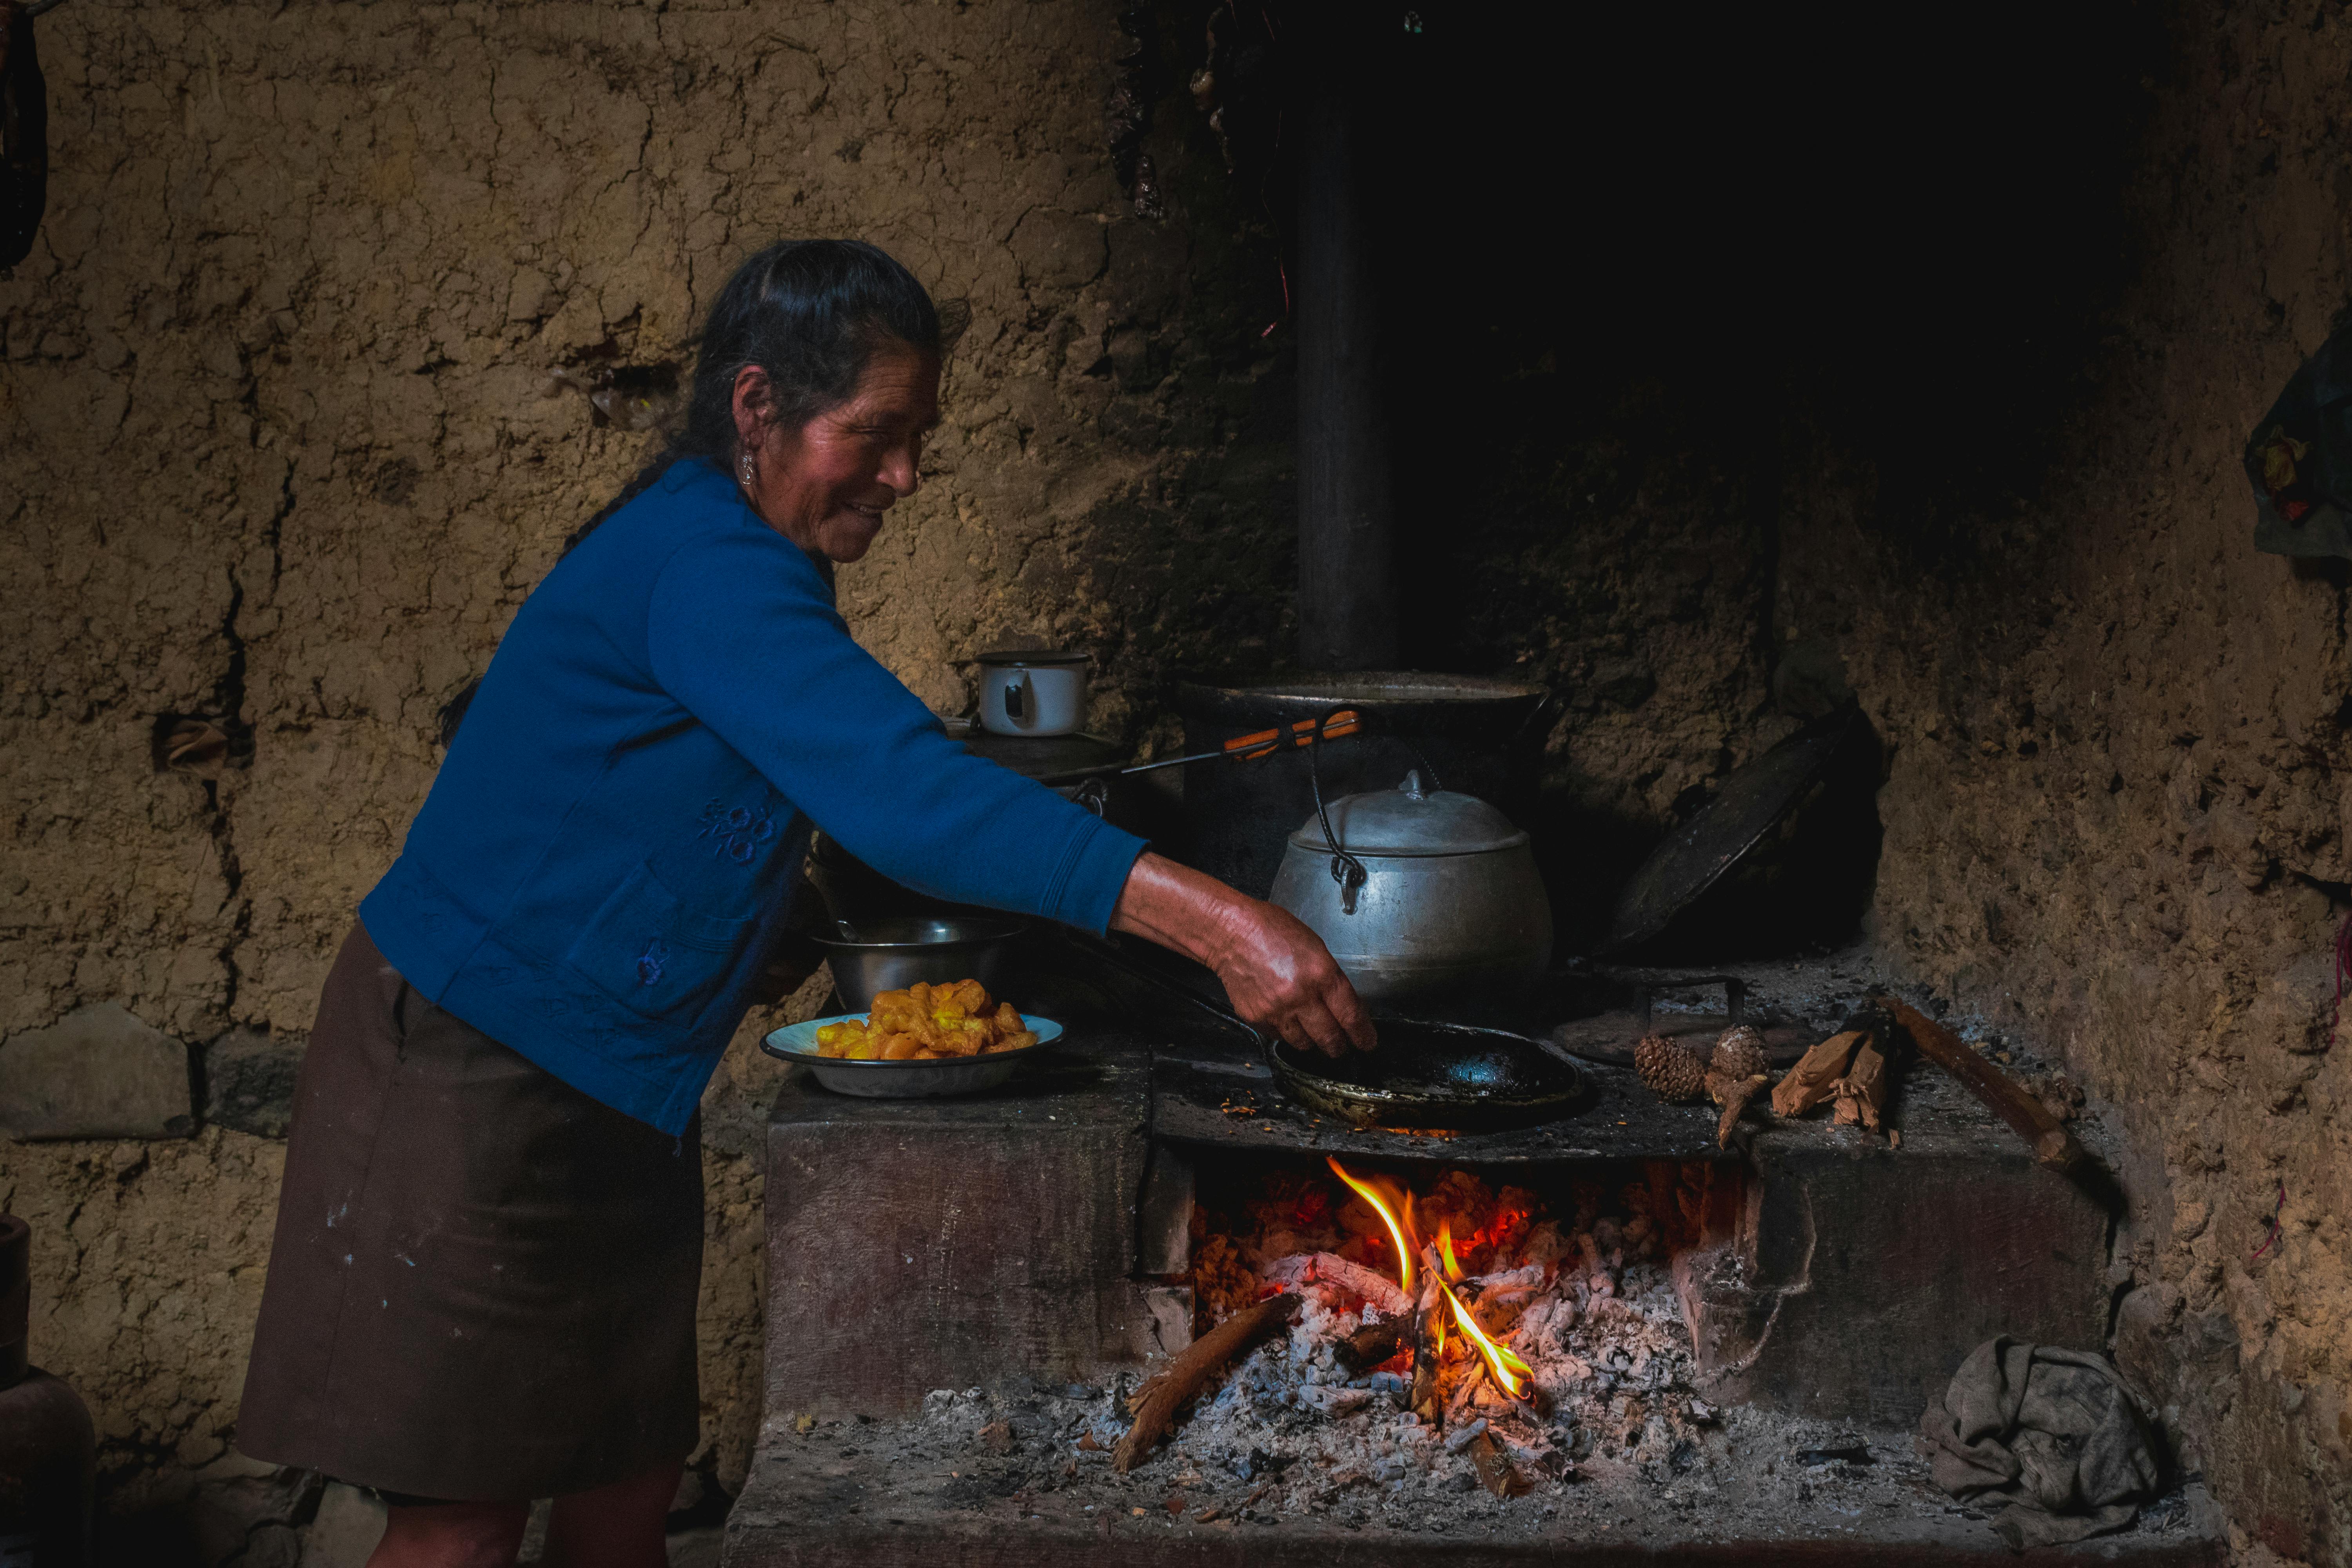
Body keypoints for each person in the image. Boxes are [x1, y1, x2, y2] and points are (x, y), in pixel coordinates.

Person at [234, 239, 1374, 1568]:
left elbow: (722, 787)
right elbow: (903, 793)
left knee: (623, 1483)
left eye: (918, 436)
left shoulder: (751, 554)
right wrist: (1226, 923)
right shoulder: (704, 559)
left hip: (610, 1078)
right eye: (877, 435)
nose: (905, 474)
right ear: (758, 406)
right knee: (462, 1525)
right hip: (469, 1072)